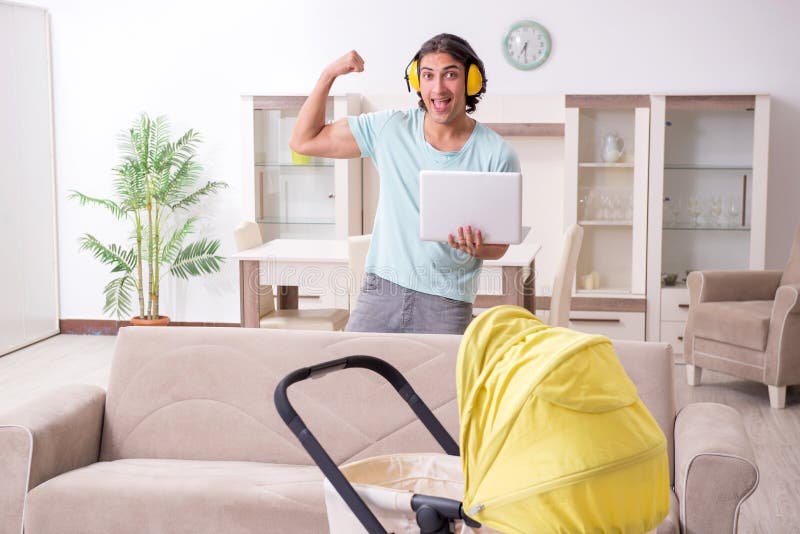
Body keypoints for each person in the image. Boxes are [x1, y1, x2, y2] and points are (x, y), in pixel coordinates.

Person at [289, 33, 521, 334]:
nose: (438, 88)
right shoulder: (390, 128)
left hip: (447, 302)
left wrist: (478, 249)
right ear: (417, 81)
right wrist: (328, 75)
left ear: (471, 80)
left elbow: (499, 246)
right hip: (380, 292)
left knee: (439, 370)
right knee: (354, 366)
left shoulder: (497, 154)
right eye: (428, 75)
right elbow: (303, 140)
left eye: (450, 75)